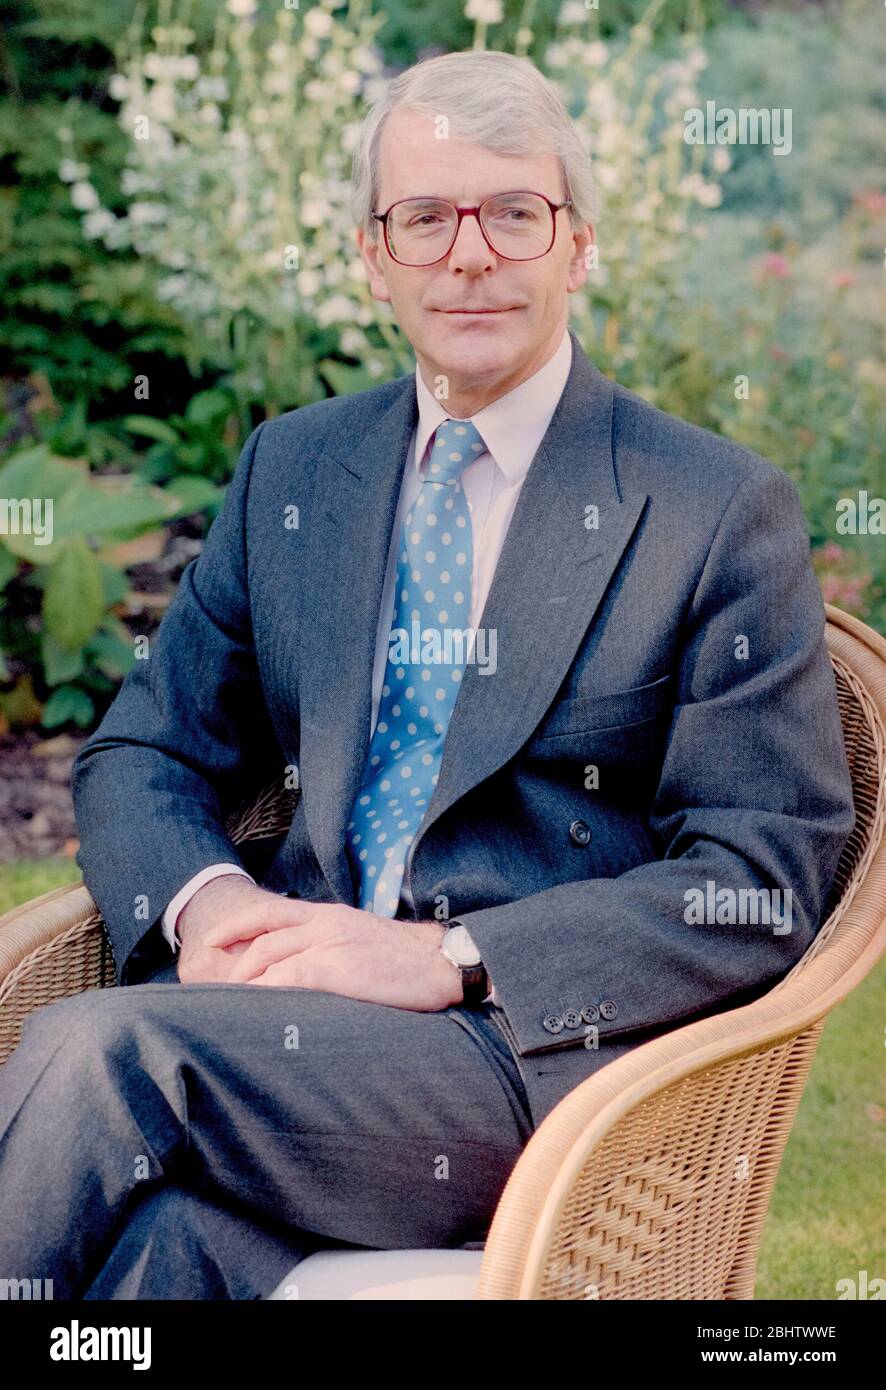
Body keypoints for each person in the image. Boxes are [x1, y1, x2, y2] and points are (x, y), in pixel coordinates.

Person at [0, 49, 854, 1300]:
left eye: (514, 212)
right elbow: (147, 748)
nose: (470, 254)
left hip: (524, 1062)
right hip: (280, 1036)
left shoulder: (712, 510)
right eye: (425, 217)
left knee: (94, 1056)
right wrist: (207, 907)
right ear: (374, 254)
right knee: (157, 1261)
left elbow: (759, 879)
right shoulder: (294, 474)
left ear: (578, 244)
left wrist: (453, 958)